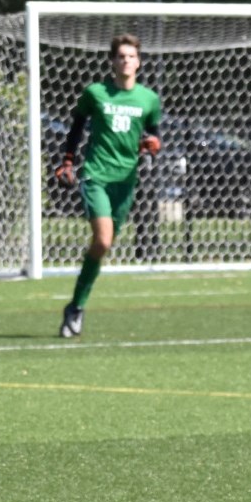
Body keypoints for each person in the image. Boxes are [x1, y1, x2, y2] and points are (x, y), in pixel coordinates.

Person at [54, 33, 162, 339]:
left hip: (126, 181)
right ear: (112, 61)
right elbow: (77, 125)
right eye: (121, 56)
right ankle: (76, 310)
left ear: (138, 62)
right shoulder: (96, 93)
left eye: (131, 56)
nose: (126, 61)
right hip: (95, 176)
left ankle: (75, 305)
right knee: (101, 241)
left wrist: (153, 143)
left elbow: (153, 133)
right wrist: (67, 160)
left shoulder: (148, 99)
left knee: (104, 247)